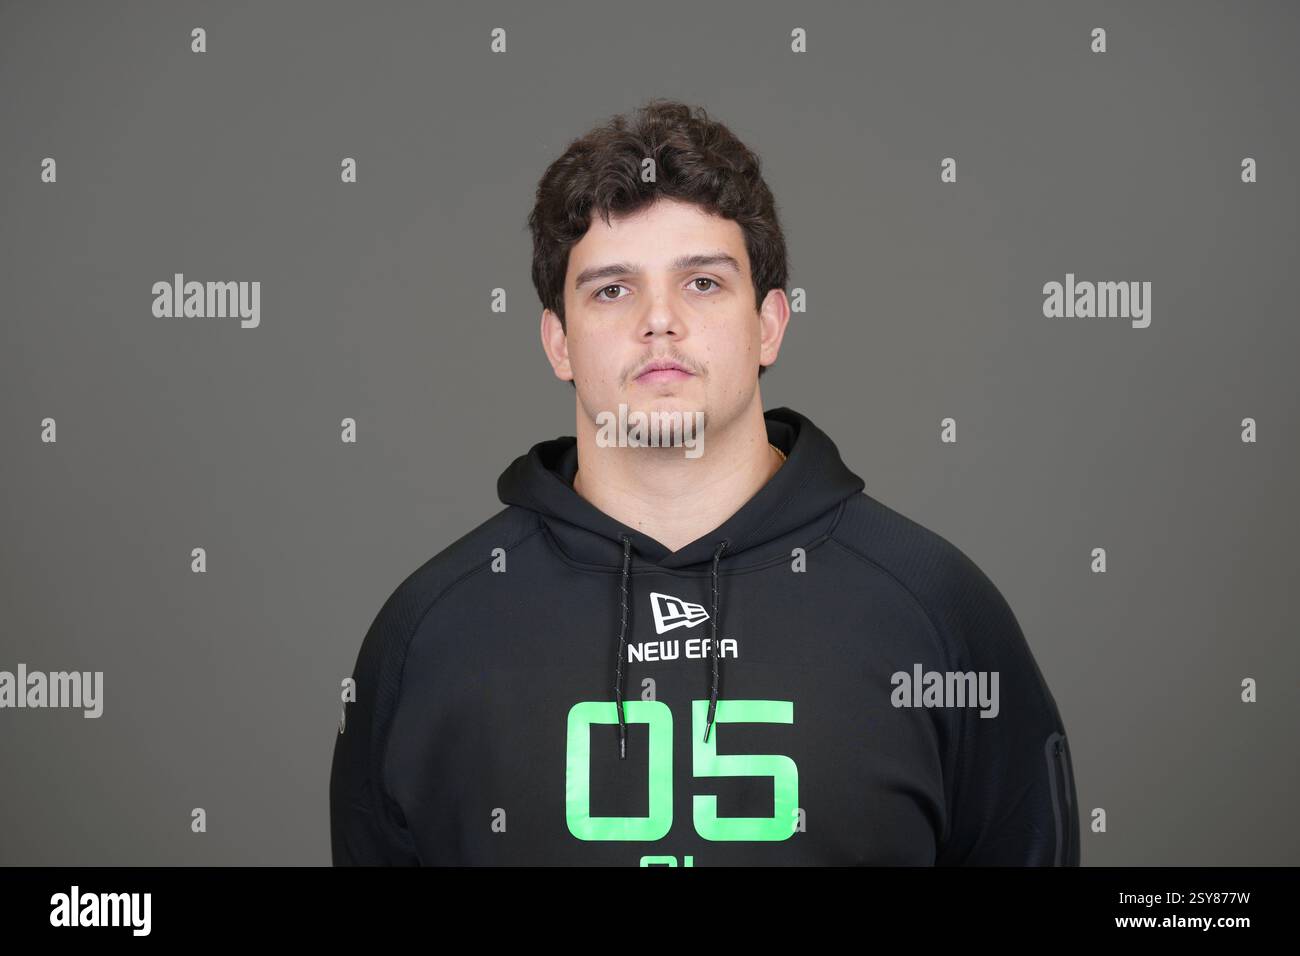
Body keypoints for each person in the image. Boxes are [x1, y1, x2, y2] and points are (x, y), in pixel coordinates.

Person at [330, 99, 1080, 866]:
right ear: (558, 341)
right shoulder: (430, 634)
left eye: (703, 284)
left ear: (771, 325)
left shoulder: (938, 611)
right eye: (612, 290)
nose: (660, 321)